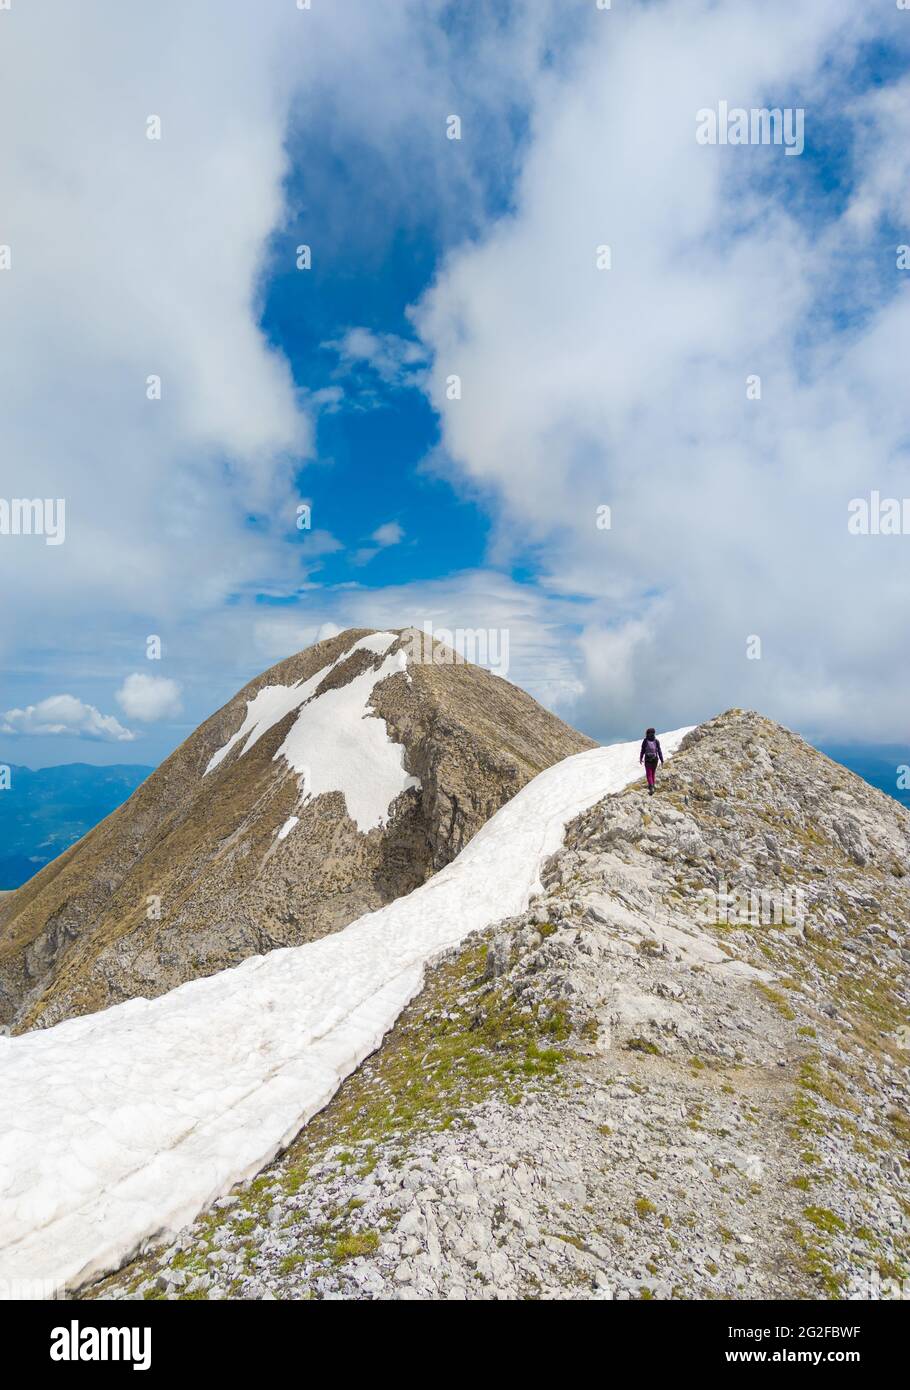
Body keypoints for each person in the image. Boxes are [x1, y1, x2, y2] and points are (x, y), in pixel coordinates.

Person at [639, 727, 663, 795]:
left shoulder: (645, 741)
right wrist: (662, 760)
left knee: (649, 774)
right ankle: (653, 786)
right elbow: (659, 751)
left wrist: (641, 758)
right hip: (655, 759)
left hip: (647, 759)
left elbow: (642, 750)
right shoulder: (656, 741)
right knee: (653, 773)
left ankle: (651, 787)